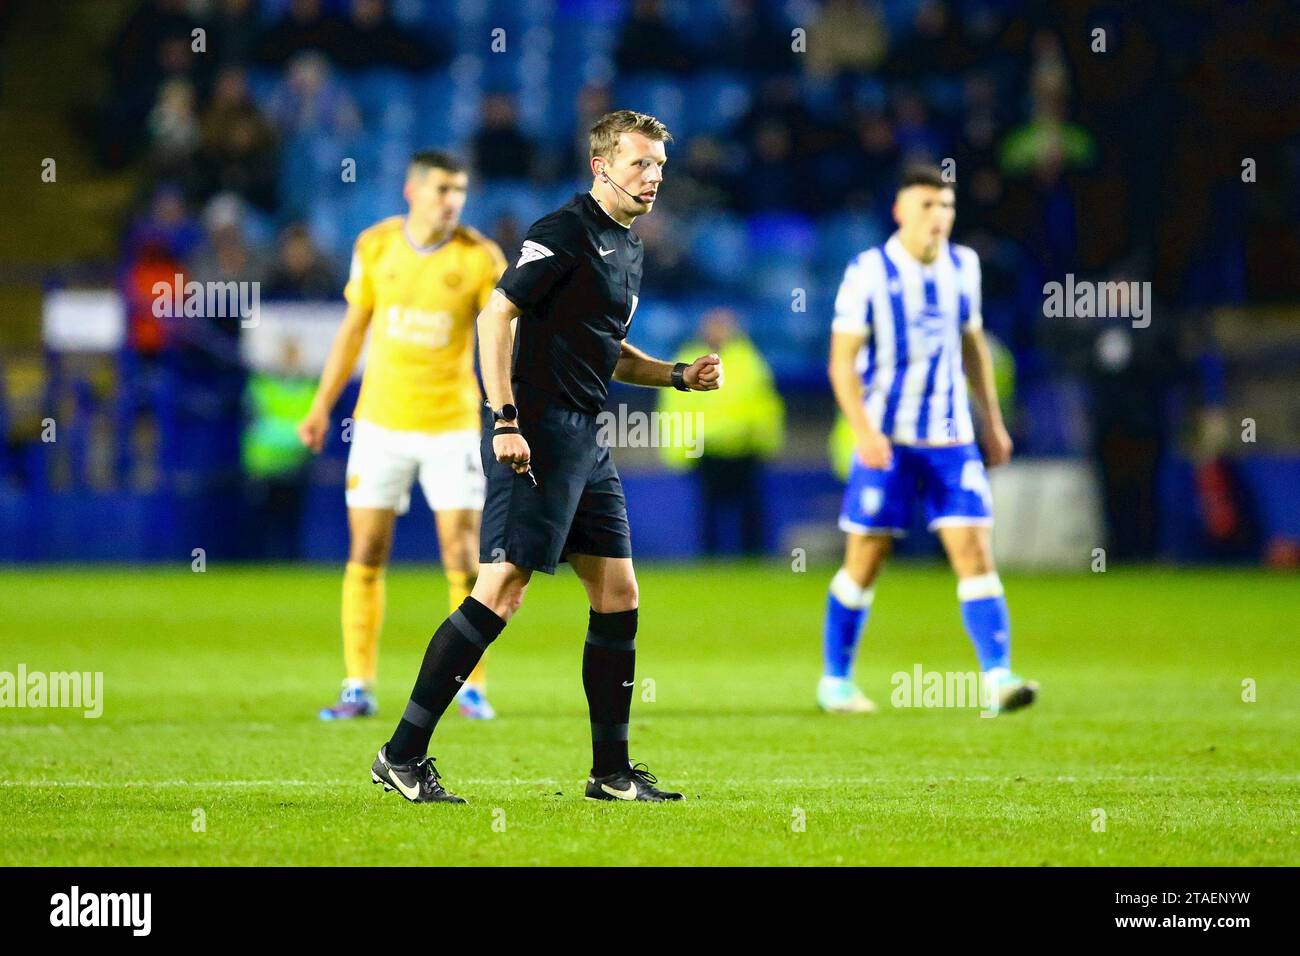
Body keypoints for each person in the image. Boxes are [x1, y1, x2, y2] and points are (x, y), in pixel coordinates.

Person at [369, 110, 722, 804]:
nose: (651, 177)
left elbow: (606, 350)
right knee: (501, 592)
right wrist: (505, 419)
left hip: (586, 437)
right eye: (638, 164)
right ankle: (402, 753)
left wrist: (678, 375)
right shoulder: (563, 232)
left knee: (618, 593)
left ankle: (611, 772)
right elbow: (497, 314)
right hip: (535, 433)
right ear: (602, 166)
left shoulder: (628, 248)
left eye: (658, 166)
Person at [820, 164, 1037, 715]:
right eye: (927, 206)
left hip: (951, 438)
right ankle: (836, 681)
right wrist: (864, 433)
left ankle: (998, 679)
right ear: (900, 211)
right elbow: (842, 363)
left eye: (947, 207)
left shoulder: (964, 265)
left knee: (974, 551)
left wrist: (992, 420)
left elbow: (972, 346)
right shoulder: (867, 271)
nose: (938, 218)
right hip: (886, 441)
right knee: (865, 562)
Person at [298, 150, 506, 721]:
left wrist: (506, 409)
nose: (453, 201)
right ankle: (357, 686)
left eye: (460, 190)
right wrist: (321, 406)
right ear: (413, 192)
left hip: (451, 426)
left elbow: (498, 341)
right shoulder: (376, 246)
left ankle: (472, 687)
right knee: (366, 550)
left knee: (463, 557)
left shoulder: (480, 258)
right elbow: (352, 332)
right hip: (381, 425)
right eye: (443, 189)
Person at [658, 308, 784, 555]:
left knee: (750, 511)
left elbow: (765, 405)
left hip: (744, 448)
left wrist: (767, 441)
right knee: (709, 512)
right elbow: (674, 410)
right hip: (707, 450)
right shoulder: (687, 360)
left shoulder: (748, 360)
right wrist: (680, 452)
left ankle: (753, 559)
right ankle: (710, 560)